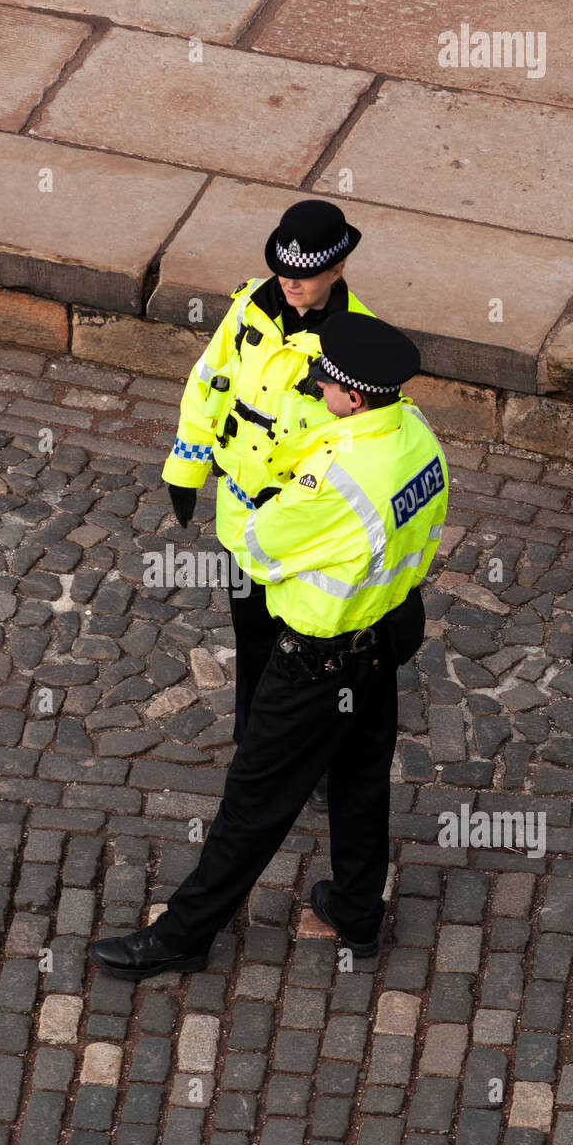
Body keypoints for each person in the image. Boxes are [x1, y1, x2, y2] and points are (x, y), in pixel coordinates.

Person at [90, 314, 449, 981]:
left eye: (327, 382)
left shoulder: (336, 480)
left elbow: (255, 547)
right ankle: (356, 911)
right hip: (385, 633)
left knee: (252, 803)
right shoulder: (417, 437)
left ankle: (184, 935)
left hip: (317, 658)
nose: (315, 385)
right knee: (359, 781)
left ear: (354, 398)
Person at [161, 200, 374, 806]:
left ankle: (314, 758)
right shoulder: (250, 304)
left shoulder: (355, 341)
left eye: (304, 271)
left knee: (309, 654)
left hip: (305, 531)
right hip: (241, 519)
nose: (289, 280)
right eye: (282, 266)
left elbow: (363, 446)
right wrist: (186, 465)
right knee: (252, 640)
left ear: (338, 268)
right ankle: (253, 746)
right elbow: (208, 383)